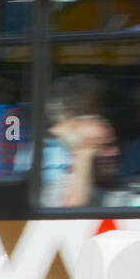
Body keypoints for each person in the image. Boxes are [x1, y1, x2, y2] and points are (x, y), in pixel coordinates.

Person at [42, 77, 119, 209]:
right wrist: (83, 154)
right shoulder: (50, 149)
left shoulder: (95, 134)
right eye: (93, 106)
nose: (99, 112)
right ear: (69, 107)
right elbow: (71, 209)